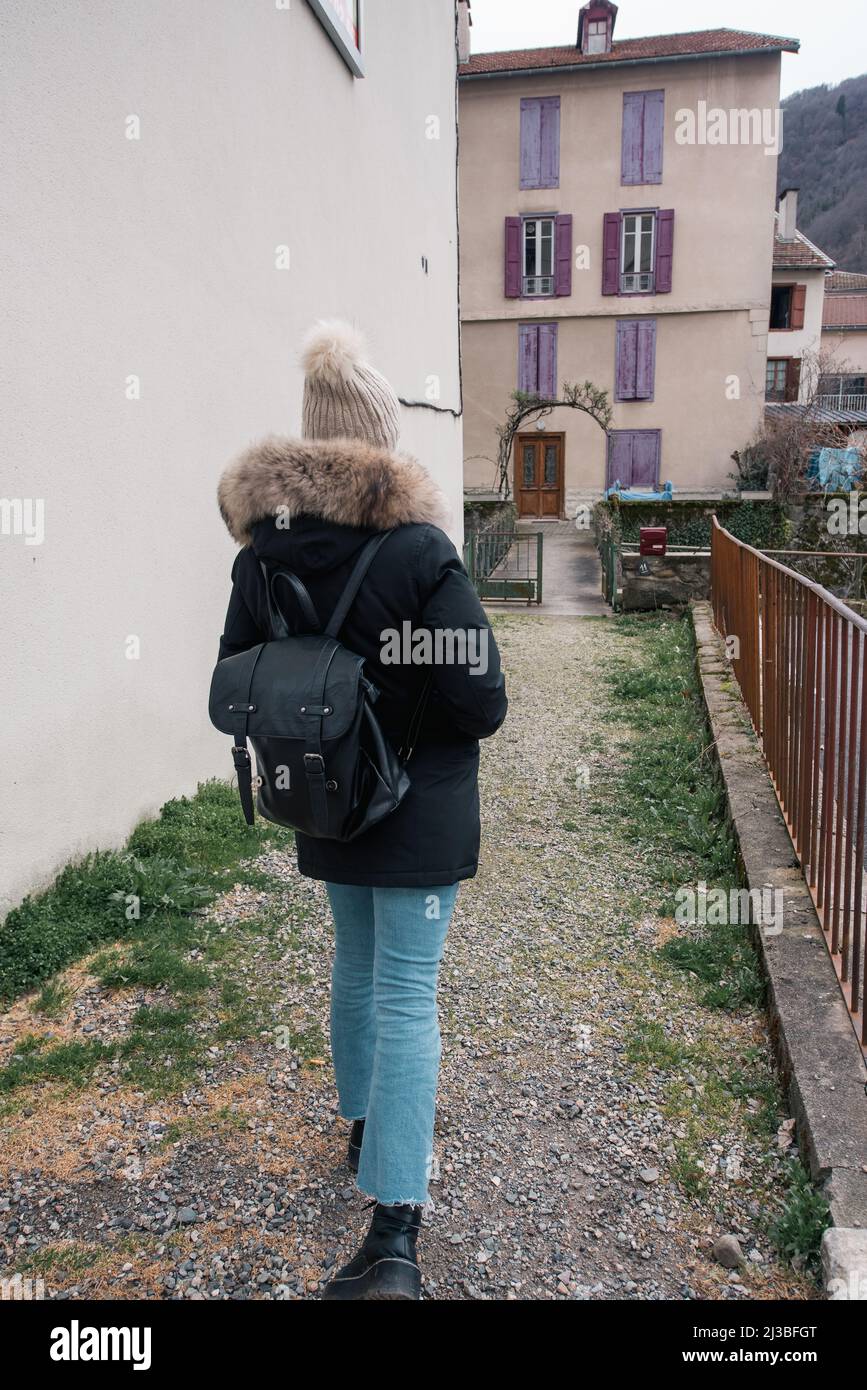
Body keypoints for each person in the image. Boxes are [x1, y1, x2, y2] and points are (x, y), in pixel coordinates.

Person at [216, 321, 507, 1300]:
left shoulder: (262, 557)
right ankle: (393, 1237)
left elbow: (235, 676)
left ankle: (362, 1123)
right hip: (418, 803)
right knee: (405, 991)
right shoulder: (420, 552)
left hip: (328, 799)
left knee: (356, 964)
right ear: (380, 445)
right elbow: (483, 702)